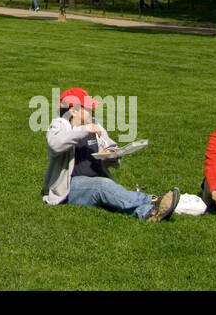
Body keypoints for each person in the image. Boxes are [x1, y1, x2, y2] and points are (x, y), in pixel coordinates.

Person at [43, 87, 179, 221]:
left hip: (96, 180)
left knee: (111, 197)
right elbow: (55, 144)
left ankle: (148, 213)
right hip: (68, 186)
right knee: (102, 186)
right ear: (73, 110)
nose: (92, 111)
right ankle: (153, 200)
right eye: (88, 108)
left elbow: (109, 145)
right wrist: (84, 130)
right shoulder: (60, 125)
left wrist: (114, 155)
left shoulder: (95, 124)